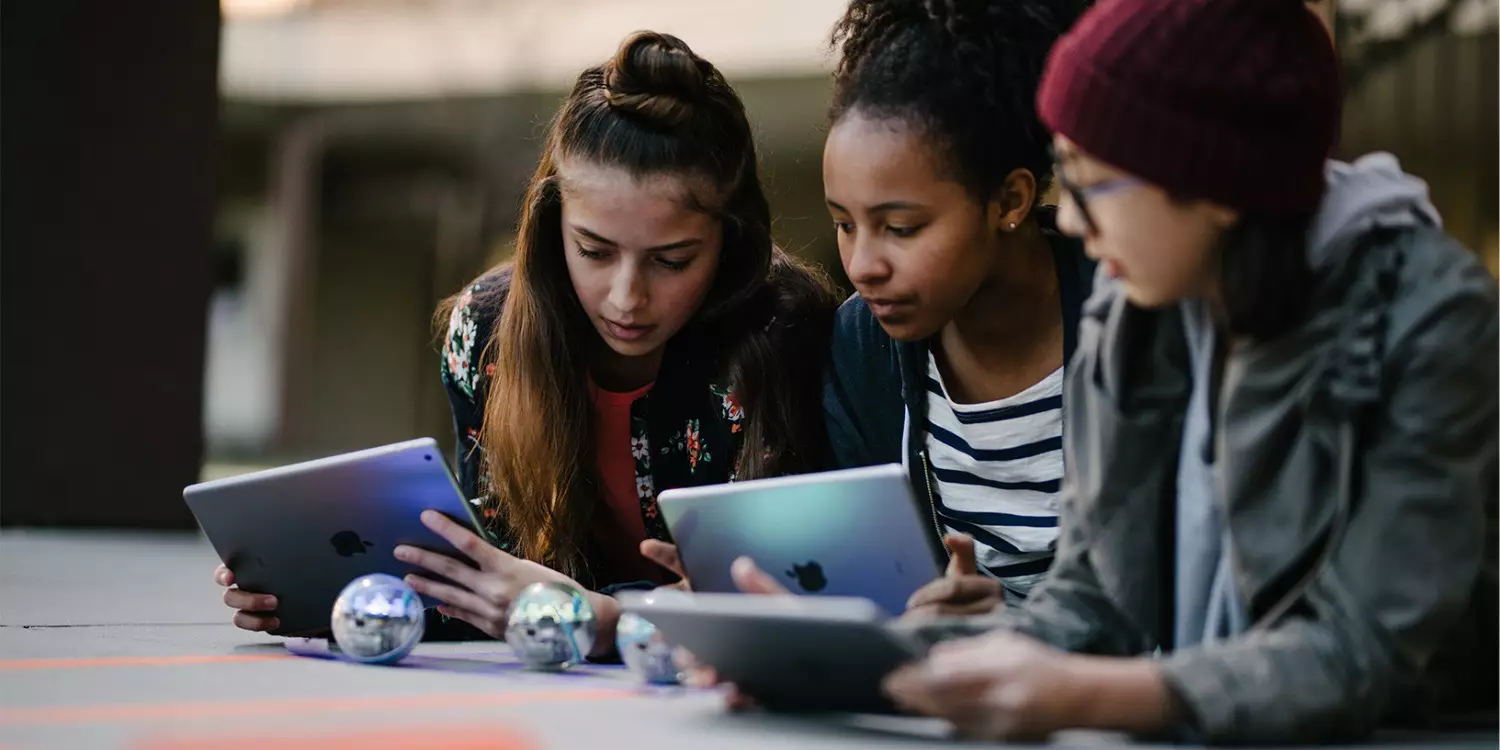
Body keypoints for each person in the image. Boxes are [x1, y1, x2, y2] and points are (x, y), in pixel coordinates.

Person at [881, 0, 1499, 743]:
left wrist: (1089, 696)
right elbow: (1089, 599)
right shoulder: (1135, 302)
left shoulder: (1430, 316)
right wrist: (856, 658)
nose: (1070, 221)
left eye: (1088, 180)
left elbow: (1364, 649)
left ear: (1210, 180)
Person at [213, 31, 841, 654]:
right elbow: (494, 584)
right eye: (593, 251)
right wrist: (337, 593)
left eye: (672, 260)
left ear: (730, 241)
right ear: (550, 226)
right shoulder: (485, 329)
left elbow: (791, 600)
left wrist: (597, 618)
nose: (626, 296)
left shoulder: (780, 331)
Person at [642, 0, 1093, 619]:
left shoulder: (1133, 317)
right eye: (845, 225)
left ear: (1009, 200)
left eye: (901, 227)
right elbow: (876, 593)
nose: (861, 265)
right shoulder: (862, 346)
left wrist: (1013, 635)